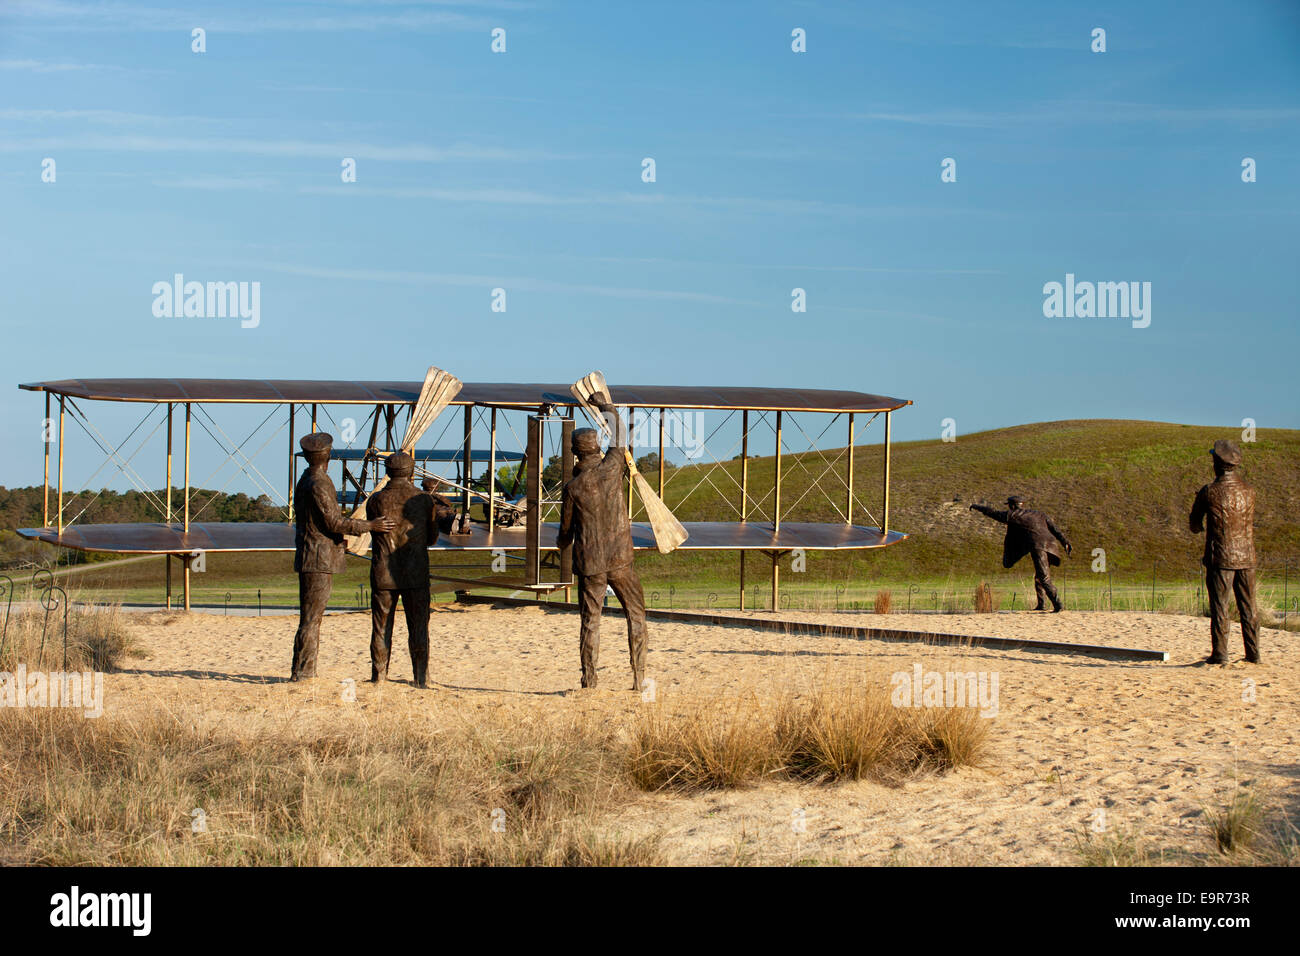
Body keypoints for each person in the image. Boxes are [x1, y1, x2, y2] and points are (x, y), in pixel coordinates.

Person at [557, 397, 647, 690]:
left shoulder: (572, 488)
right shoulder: (612, 467)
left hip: (591, 564)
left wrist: (561, 545)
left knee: (590, 622)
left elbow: (566, 533)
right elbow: (620, 435)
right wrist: (605, 406)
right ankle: (638, 679)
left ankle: (590, 681)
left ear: (574, 453)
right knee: (635, 615)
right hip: (620, 558)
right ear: (596, 448)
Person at [290, 433, 394, 681]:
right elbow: (334, 522)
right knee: (312, 618)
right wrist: (370, 526)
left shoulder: (306, 479)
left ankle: (303, 670)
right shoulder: (318, 483)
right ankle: (303, 672)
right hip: (318, 557)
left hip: (312, 553)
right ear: (326, 455)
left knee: (310, 617)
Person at [369, 452, 438, 686]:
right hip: (415, 571)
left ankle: (379, 676)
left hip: (384, 570)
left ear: (388, 472)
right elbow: (432, 537)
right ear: (412, 471)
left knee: (381, 626)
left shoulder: (376, 500)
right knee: (419, 625)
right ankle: (421, 677)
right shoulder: (425, 500)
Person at [1190, 439, 1260, 664]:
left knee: (1220, 607)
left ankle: (1220, 654)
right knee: (1249, 607)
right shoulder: (1250, 491)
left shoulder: (1209, 491)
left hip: (1221, 558)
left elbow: (1194, 524)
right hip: (1247, 556)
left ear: (1215, 463)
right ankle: (1253, 653)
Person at [971, 495, 1072, 612]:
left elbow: (994, 513)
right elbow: (1055, 529)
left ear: (1012, 505)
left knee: (1044, 578)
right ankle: (1041, 604)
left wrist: (978, 507)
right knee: (1040, 576)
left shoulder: (1013, 515)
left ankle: (1058, 604)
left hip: (1039, 546)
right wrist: (1065, 542)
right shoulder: (1039, 514)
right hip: (1051, 545)